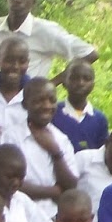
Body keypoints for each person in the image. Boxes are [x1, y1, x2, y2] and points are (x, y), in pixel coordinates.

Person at [15, 79, 77, 212]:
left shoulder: (61, 139)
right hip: (20, 212)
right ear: (25, 104)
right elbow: (12, 184)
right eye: (39, 101)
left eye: (52, 100)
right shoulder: (12, 137)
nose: (47, 106)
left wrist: (55, 151)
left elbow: (71, 186)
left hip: (54, 215)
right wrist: (54, 192)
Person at [51, 60, 107, 152]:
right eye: (74, 78)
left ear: (93, 85)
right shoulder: (52, 113)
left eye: (87, 78)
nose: (81, 83)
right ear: (64, 83)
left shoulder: (99, 120)